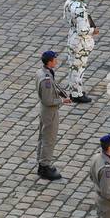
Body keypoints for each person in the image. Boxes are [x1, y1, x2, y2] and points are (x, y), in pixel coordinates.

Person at [36, 50, 70, 181]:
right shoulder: (46, 80)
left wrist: (59, 93)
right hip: (50, 112)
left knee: (44, 137)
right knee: (48, 139)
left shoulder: (42, 72)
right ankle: (44, 166)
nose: (57, 61)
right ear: (50, 62)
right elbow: (48, 100)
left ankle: (42, 162)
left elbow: (50, 90)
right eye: (55, 59)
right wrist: (62, 100)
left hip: (46, 110)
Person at [62, 0, 98, 104]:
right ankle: (77, 94)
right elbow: (83, 30)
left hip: (72, 37)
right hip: (80, 42)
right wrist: (93, 30)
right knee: (79, 68)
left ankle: (74, 91)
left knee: (73, 67)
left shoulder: (69, 2)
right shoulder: (79, 8)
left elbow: (66, 19)